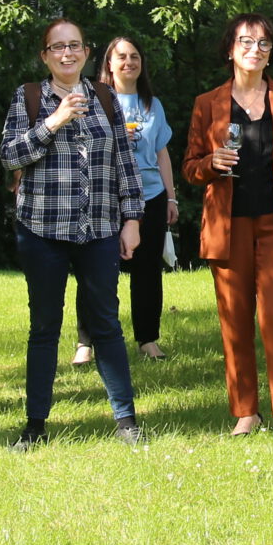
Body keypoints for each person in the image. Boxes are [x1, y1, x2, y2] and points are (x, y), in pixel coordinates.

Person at [0, 17, 148, 448]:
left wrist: (132, 219)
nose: (67, 54)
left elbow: (125, 160)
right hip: (41, 229)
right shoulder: (29, 97)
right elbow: (10, 156)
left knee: (105, 323)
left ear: (85, 52)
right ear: (45, 55)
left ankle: (126, 421)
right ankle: (35, 425)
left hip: (99, 228)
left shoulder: (104, 96)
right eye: (57, 47)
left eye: (75, 46)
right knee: (45, 326)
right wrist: (54, 121)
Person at [186, 14, 273, 440]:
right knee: (234, 319)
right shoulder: (206, 103)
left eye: (264, 44)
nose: (255, 49)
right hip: (227, 226)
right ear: (230, 49)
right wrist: (209, 164)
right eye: (246, 42)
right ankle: (245, 412)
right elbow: (190, 168)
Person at [98, 35, 179, 360]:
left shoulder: (152, 104)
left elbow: (162, 153)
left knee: (147, 272)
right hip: (108, 196)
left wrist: (171, 198)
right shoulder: (97, 101)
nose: (128, 62)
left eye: (134, 56)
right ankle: (87, 343)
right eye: (121, 57)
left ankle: (148, 340)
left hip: (152, 196)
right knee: (99, 271)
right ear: (109, 63)